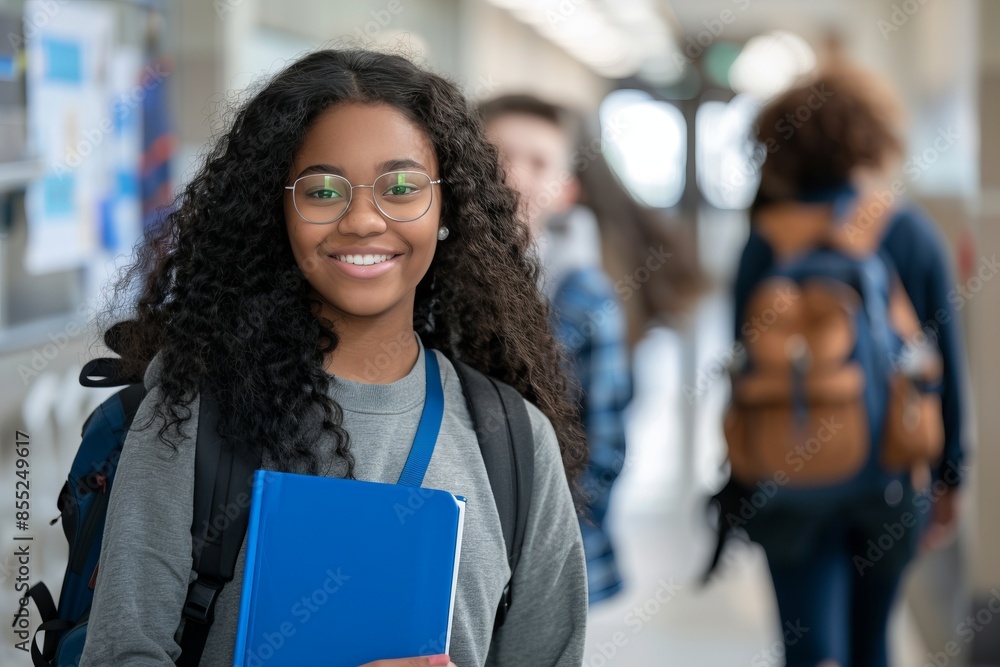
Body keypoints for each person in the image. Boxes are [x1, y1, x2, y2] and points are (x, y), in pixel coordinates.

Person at [80, 49, 588, 667]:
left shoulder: (512, 443)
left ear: (446, 208)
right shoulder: (191, 416)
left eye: (402, 187)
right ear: (280, 212)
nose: (364, 219)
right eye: (323, 190)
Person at [714, 62, 967, 667]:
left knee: (806, 650)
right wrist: (951, 472)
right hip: (890, 467)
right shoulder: (909, 231)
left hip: (783, 471)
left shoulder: (763, 240)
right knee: (871, 641)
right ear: (873, 137)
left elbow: (742, 367)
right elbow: (944, 364)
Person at [479, 95, 632, 604]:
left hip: (545, 558)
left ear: (566, 191)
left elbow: (604, 442)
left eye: (539, 162)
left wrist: (553, 551)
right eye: (498, 155)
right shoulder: (421, 276)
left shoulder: (585, 298)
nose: (515, 175)